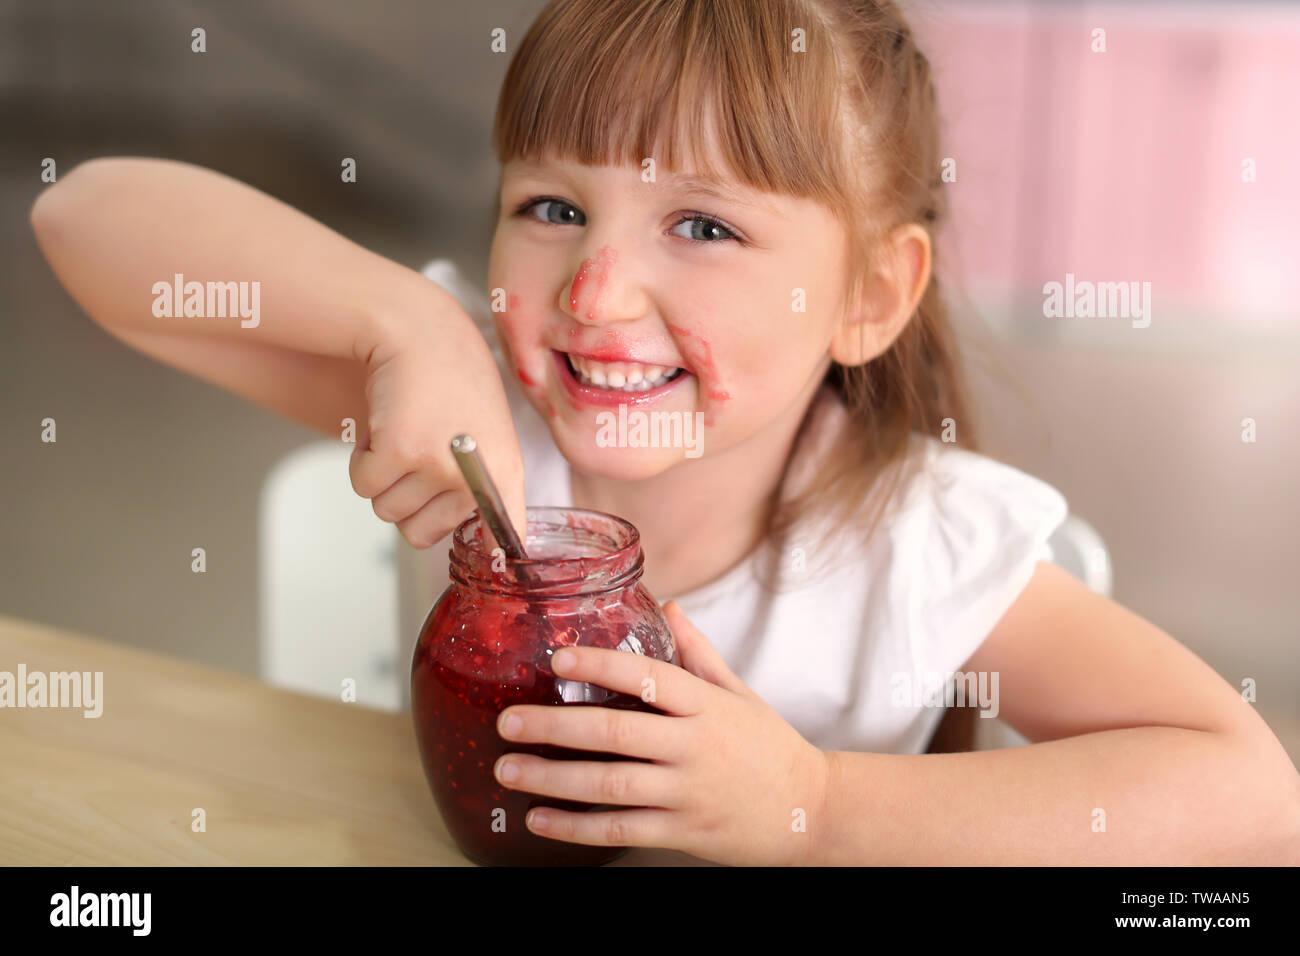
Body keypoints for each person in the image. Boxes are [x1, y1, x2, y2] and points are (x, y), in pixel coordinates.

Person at [30, 0, 1300, 865]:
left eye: (703, 225)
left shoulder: (915, 538)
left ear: (865, 296)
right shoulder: (484, 423)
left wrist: (814, 803)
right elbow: (83, 219)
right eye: (549, 205)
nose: (596, 292)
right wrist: (399, 321)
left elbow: (1255, 797)